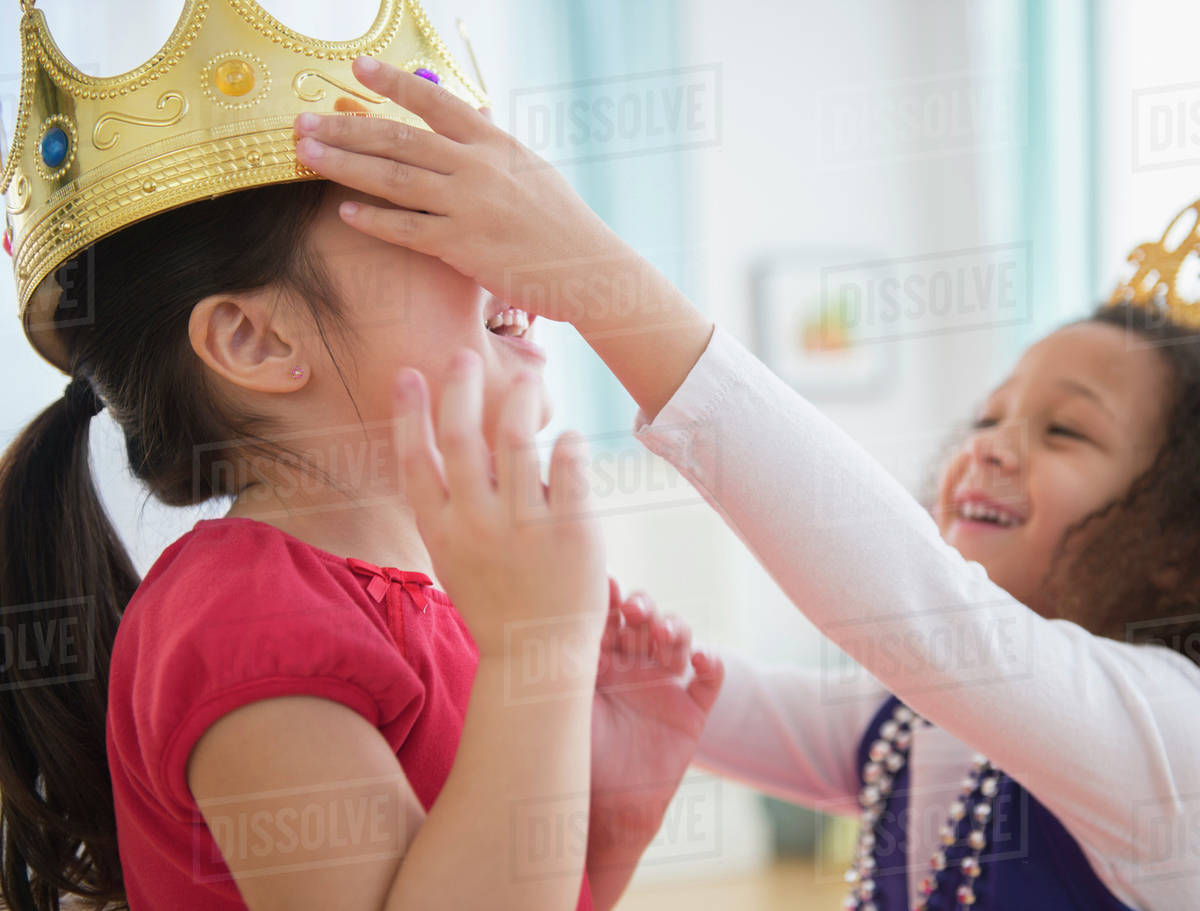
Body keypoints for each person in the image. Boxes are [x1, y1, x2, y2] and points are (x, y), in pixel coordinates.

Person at [295, 55, 1200, 909]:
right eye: (991, 416)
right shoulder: (899, 724)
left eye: (1067, 429)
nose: (997, 446)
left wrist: (594, 276)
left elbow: (919, 604)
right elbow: (692, 692)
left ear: (1180, 547)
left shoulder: (1170, 735)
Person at [0, 37, 722, 911]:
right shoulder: (237, 612)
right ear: (254, 340)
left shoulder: (448, 595)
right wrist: (544, 656)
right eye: (423, 203)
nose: (506, 241)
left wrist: (611, 820)